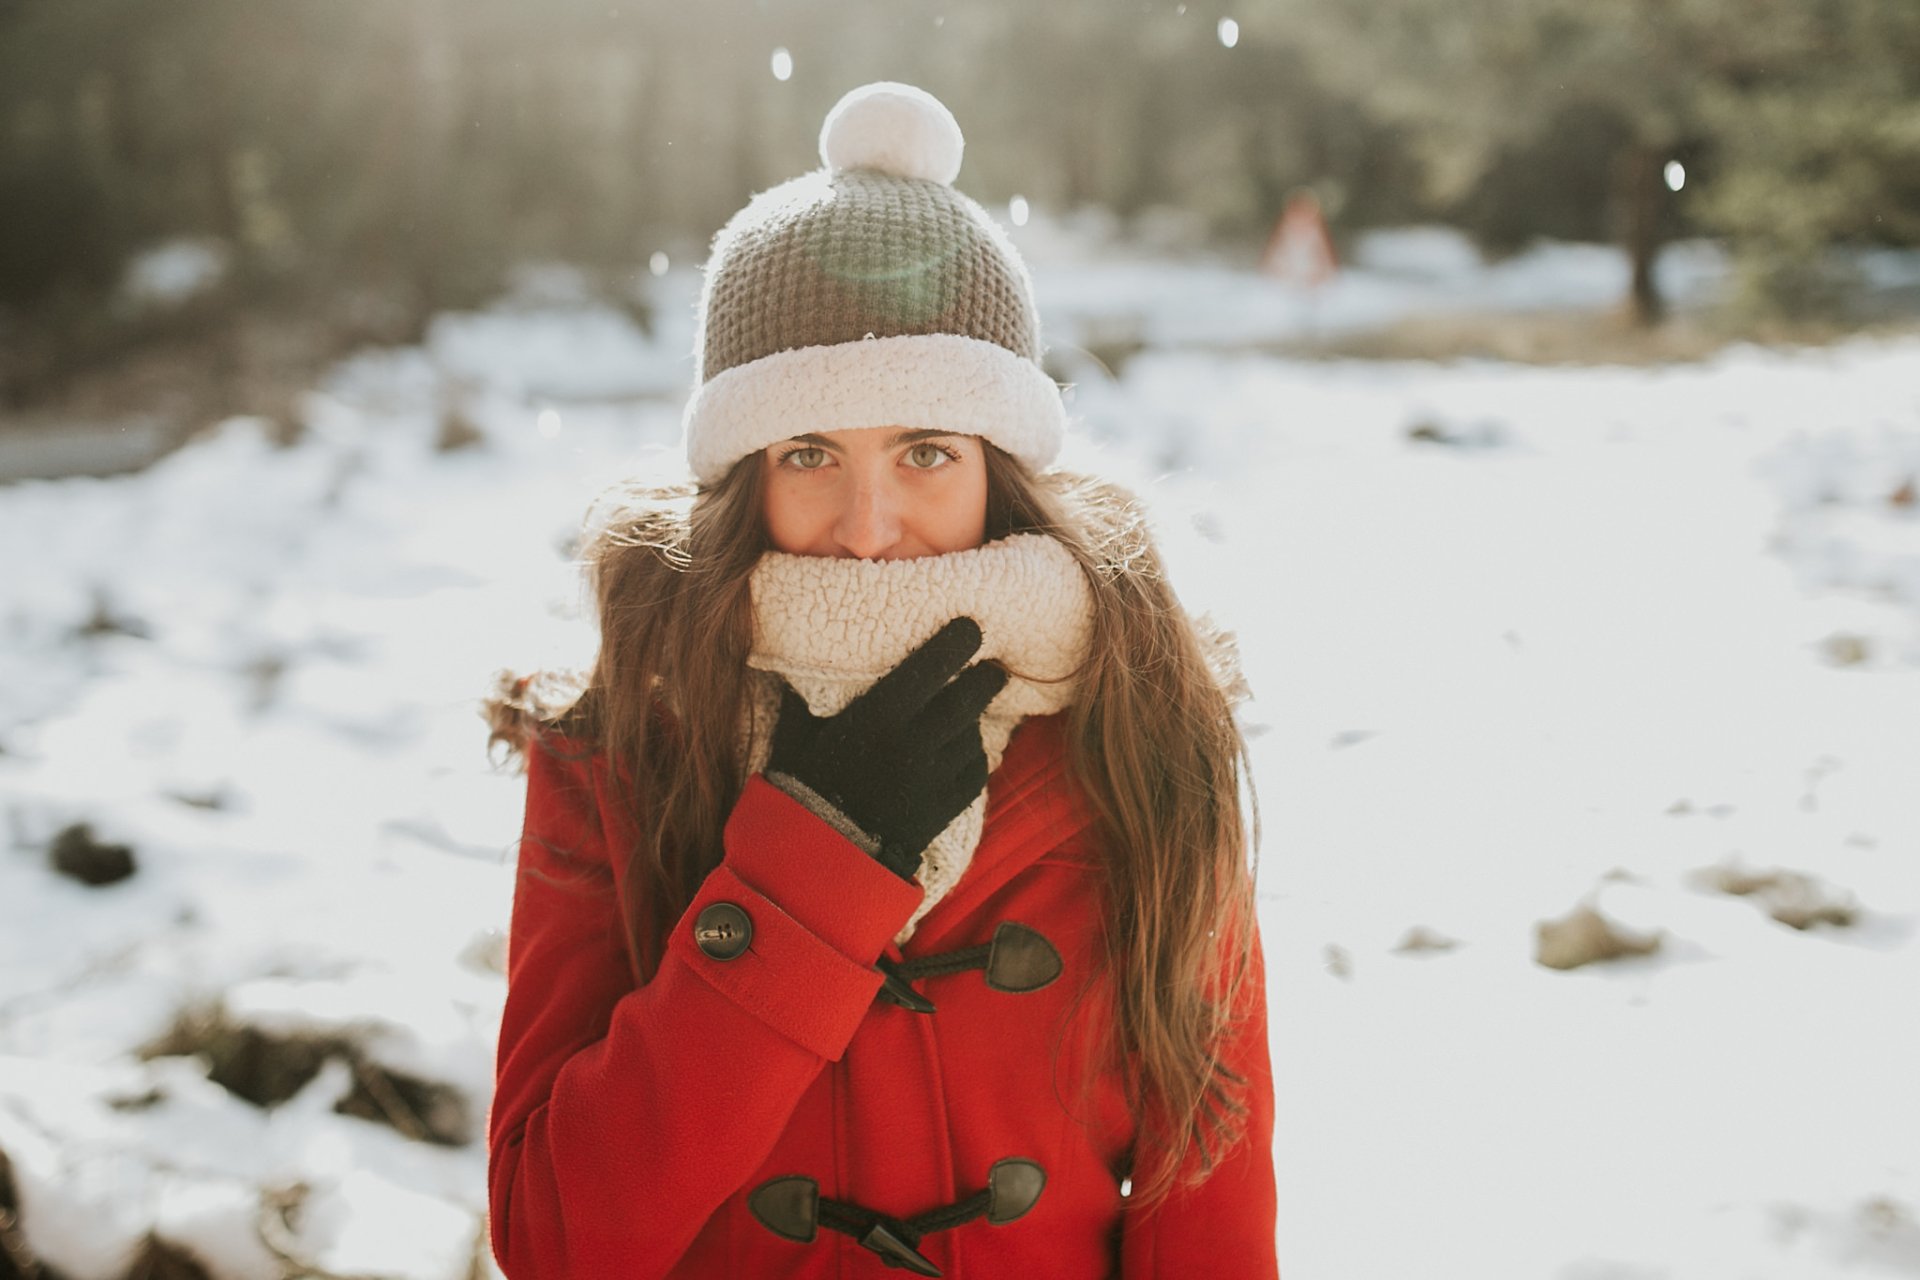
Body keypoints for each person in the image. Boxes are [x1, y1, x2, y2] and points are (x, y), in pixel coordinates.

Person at [484, 81, 1278, 1278]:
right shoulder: (622, 739)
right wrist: (812, 864)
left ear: (999, 467)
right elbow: (557, 1239)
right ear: (743, 476)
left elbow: (1204, 1206)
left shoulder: (1143, 727)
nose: (869, 528)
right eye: (809, 453)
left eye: (925, 452)